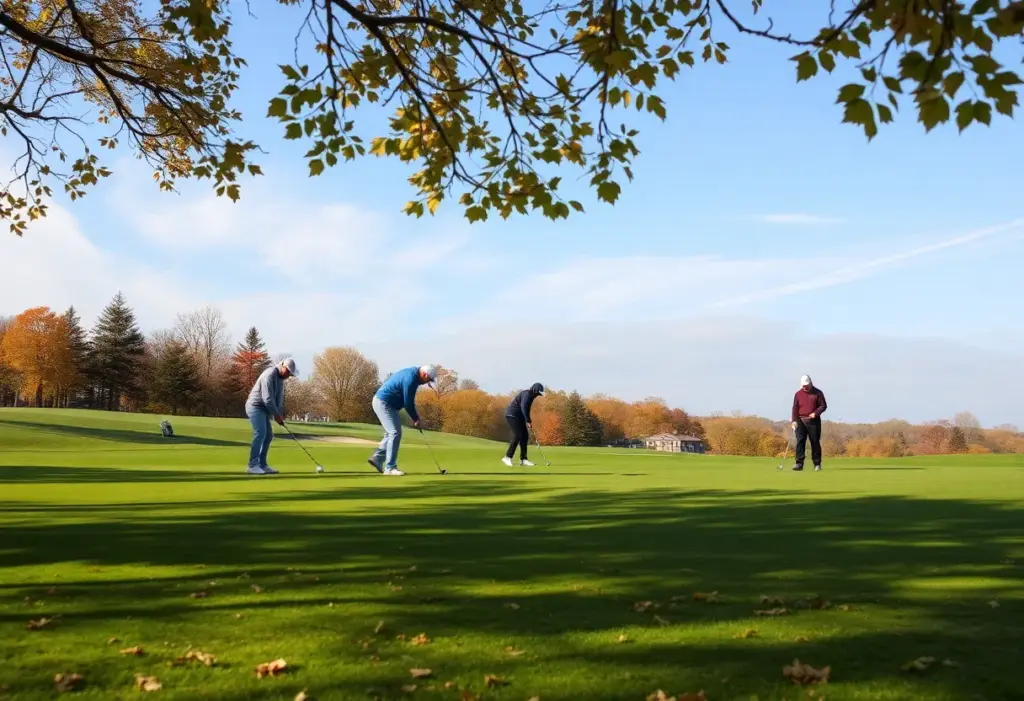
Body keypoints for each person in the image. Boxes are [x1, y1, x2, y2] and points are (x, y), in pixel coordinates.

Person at [368, 365, 437, 476]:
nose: (427, 383)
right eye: (428, 380)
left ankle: (378, 458)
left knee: (390, 433)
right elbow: (408, 404)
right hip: (384, 403)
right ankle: (390, 468)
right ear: (424, 374)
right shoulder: (411, 379)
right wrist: (416, 419)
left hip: (385, 403)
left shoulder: (413, 373)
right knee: (394, 433)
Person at [245, 358, 298, 475]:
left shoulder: (280, 380)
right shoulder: (269, 375)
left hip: (264, 409)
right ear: (282, 366)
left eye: (290, 374)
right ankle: (252, 465)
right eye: (288, 372)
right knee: (260, 433)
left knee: (268, 435)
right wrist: (276, 415)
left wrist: (280, 414)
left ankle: (262, 465)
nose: (288, 375)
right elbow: (267, 399)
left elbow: (278, 401)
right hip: (255, 406)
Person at [502, 383, 544, 467]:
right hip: (512, 415)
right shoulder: (527, 394)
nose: (537, 396)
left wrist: (528, 420)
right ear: (534, 390)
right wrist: (528, 421)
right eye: (537, 393)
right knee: (518, 435)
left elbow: (526, 410)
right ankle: (507, 457)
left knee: (524, 436)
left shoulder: (530, 395)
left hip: (519, 417)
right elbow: (524, 407)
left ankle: (523, 459)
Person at [791, 374, 827, 471]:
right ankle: (799, 464)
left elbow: (823, 406)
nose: (805, 387)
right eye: (803, 386)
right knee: (800, 441)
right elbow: (795, 408)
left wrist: (815, 413)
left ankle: (817, 464)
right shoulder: (798, 394)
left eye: (806, 386)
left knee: (814, 441)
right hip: (800, 420)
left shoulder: (818, 393)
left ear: (811, 383)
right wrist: (794, 421)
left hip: (813, 421)